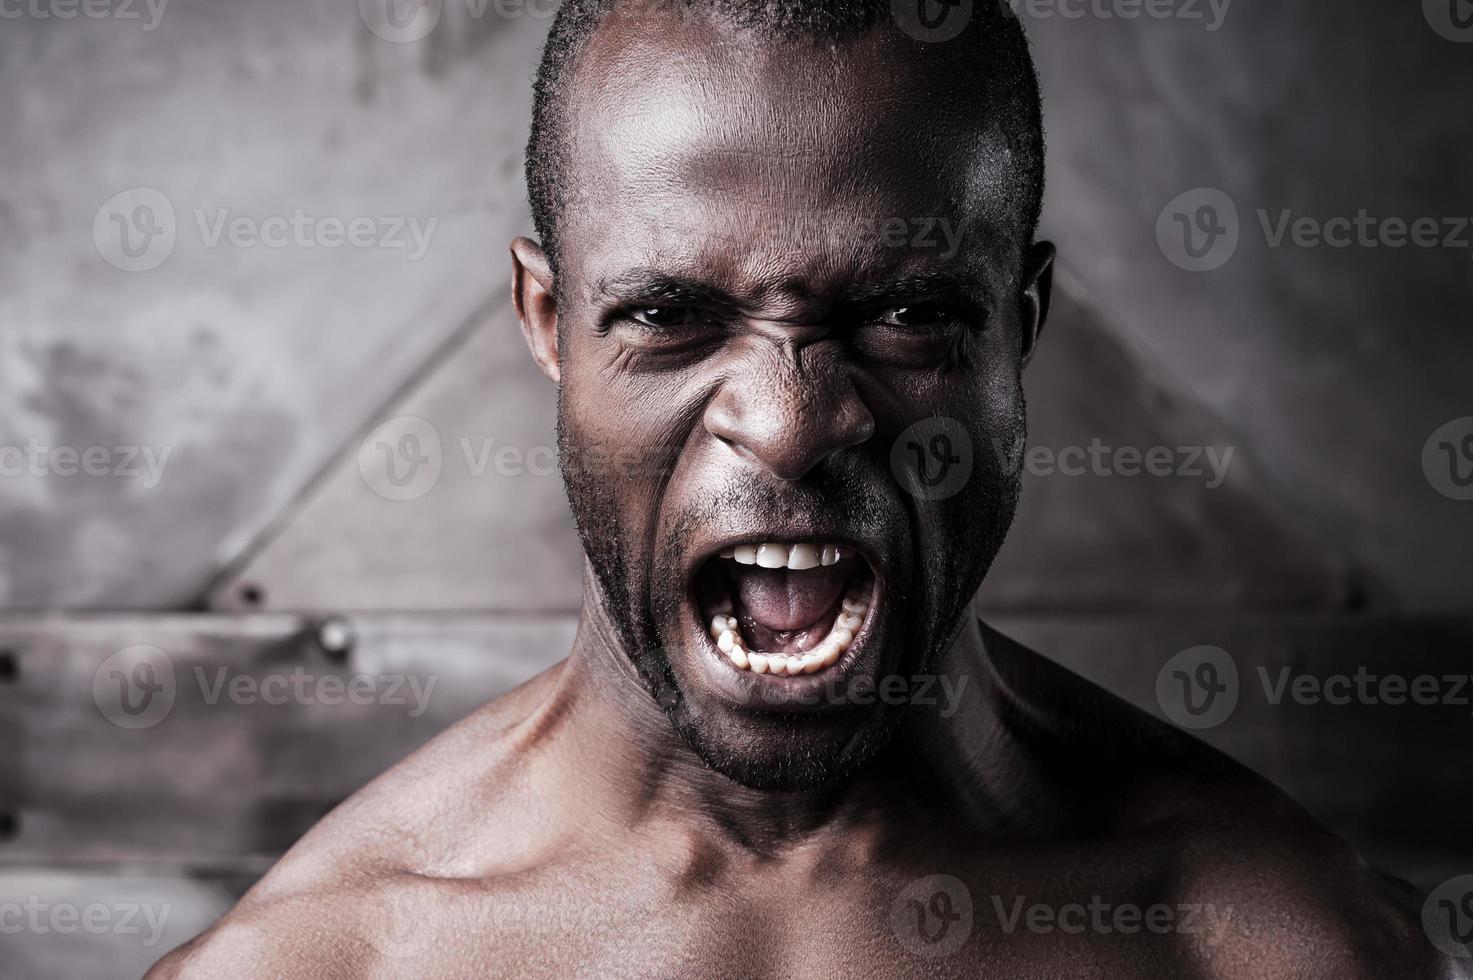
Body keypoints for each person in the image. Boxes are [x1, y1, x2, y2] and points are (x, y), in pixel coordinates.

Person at [151, 1, 1447, 975]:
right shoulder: (327, 964)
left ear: (1017, 326)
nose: (784, 424)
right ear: (550, 320)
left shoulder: (1273, 945)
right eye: (666, 314)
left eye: (902, 313)